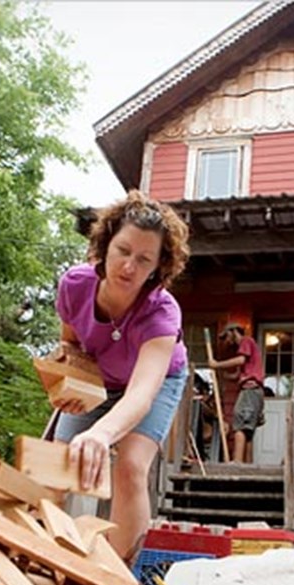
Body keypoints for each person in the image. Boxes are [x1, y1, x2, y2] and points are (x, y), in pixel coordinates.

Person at [50, 189, 190, 562]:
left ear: (158, 267)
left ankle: (119, 576)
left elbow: (141, 396)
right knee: (57, 462)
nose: (129, 267)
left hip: (153, 385)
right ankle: (44, 558)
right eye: (123, 251)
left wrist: (100, 433)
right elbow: (71, 345)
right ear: (104, 246)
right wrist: (66, 379)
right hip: (100, 376)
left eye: (144, 259)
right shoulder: (75, 286)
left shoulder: (162, 313)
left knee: (129, 466)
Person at [208, 322, 264, 463]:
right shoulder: (246, 349)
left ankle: (237, 462)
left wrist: (217, 364)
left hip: (250, 390)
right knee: (248, 429)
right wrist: (221, 374)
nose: (228, 341)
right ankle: (248, 464)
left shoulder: (246, 341)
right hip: (254, 391)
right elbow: (236, 376)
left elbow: (240, 360)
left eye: (227, 336)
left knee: (239, 423)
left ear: (233, 331)